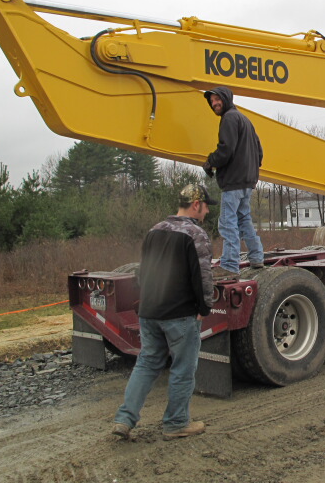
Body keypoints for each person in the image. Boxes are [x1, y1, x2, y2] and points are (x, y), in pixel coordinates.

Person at [111, 183, 216, 441]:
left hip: (149, 311)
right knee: (182, 368)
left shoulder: (154, 231)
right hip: (180, 315)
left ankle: (124, 419)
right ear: (195, 205)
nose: (206, 213)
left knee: (146, 364)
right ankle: (176, 423)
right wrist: (204, 307)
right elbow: (203, 276)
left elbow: (142, 271)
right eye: (205, 207)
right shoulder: (196, 235)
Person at [203, 86, 265, 277]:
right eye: (212, 101)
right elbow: (260, 151)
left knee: (227, 223)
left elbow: (226, 149)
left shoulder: (229, 118)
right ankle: (256, 257)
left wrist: (210, 162)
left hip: (234, 182)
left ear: (226, 98)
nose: (214, 103)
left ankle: (229, 265)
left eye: (217, 99)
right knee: (244, 219)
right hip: (247, 182)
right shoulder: (245, 120)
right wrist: (251, 171)